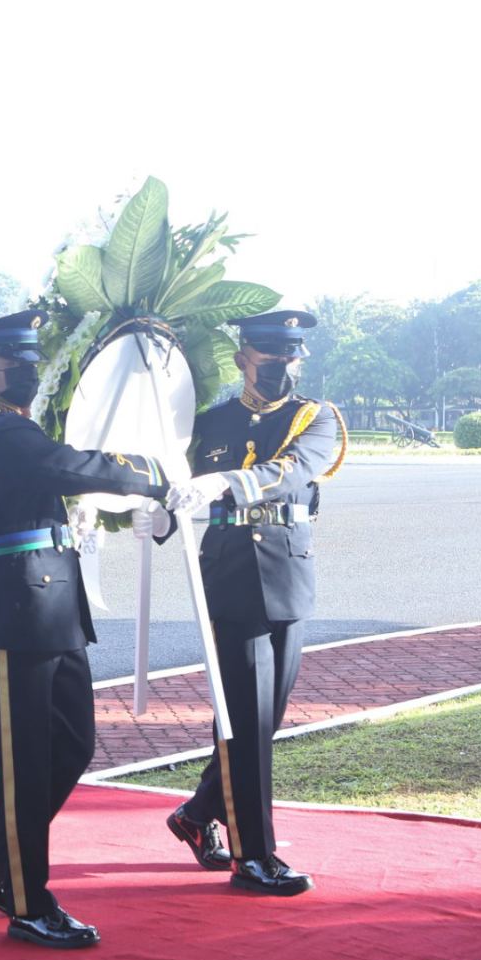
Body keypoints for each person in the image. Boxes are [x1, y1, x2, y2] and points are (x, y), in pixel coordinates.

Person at [0, 310, 182, 949]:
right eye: (13, 364)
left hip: (51, 604)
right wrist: (153, 469)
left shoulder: (15, 427)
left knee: (73, 745)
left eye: (31, 363)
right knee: (23, 764)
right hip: (14, 608)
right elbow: (75, 467)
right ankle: (29, 902)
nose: (25, 373)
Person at [164, 310, 346, 897]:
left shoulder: (314, 418)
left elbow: (293, 471)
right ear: (244, 358)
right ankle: (254, 856)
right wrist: (153, 514)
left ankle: (198, 814)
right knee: (243, 718)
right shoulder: (211, 423)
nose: (283, 367)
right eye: (271, 357)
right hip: (232, 575)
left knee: (261, 721)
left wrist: (226, 483)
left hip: (286, 572)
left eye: (291, 357)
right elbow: (175, 483)